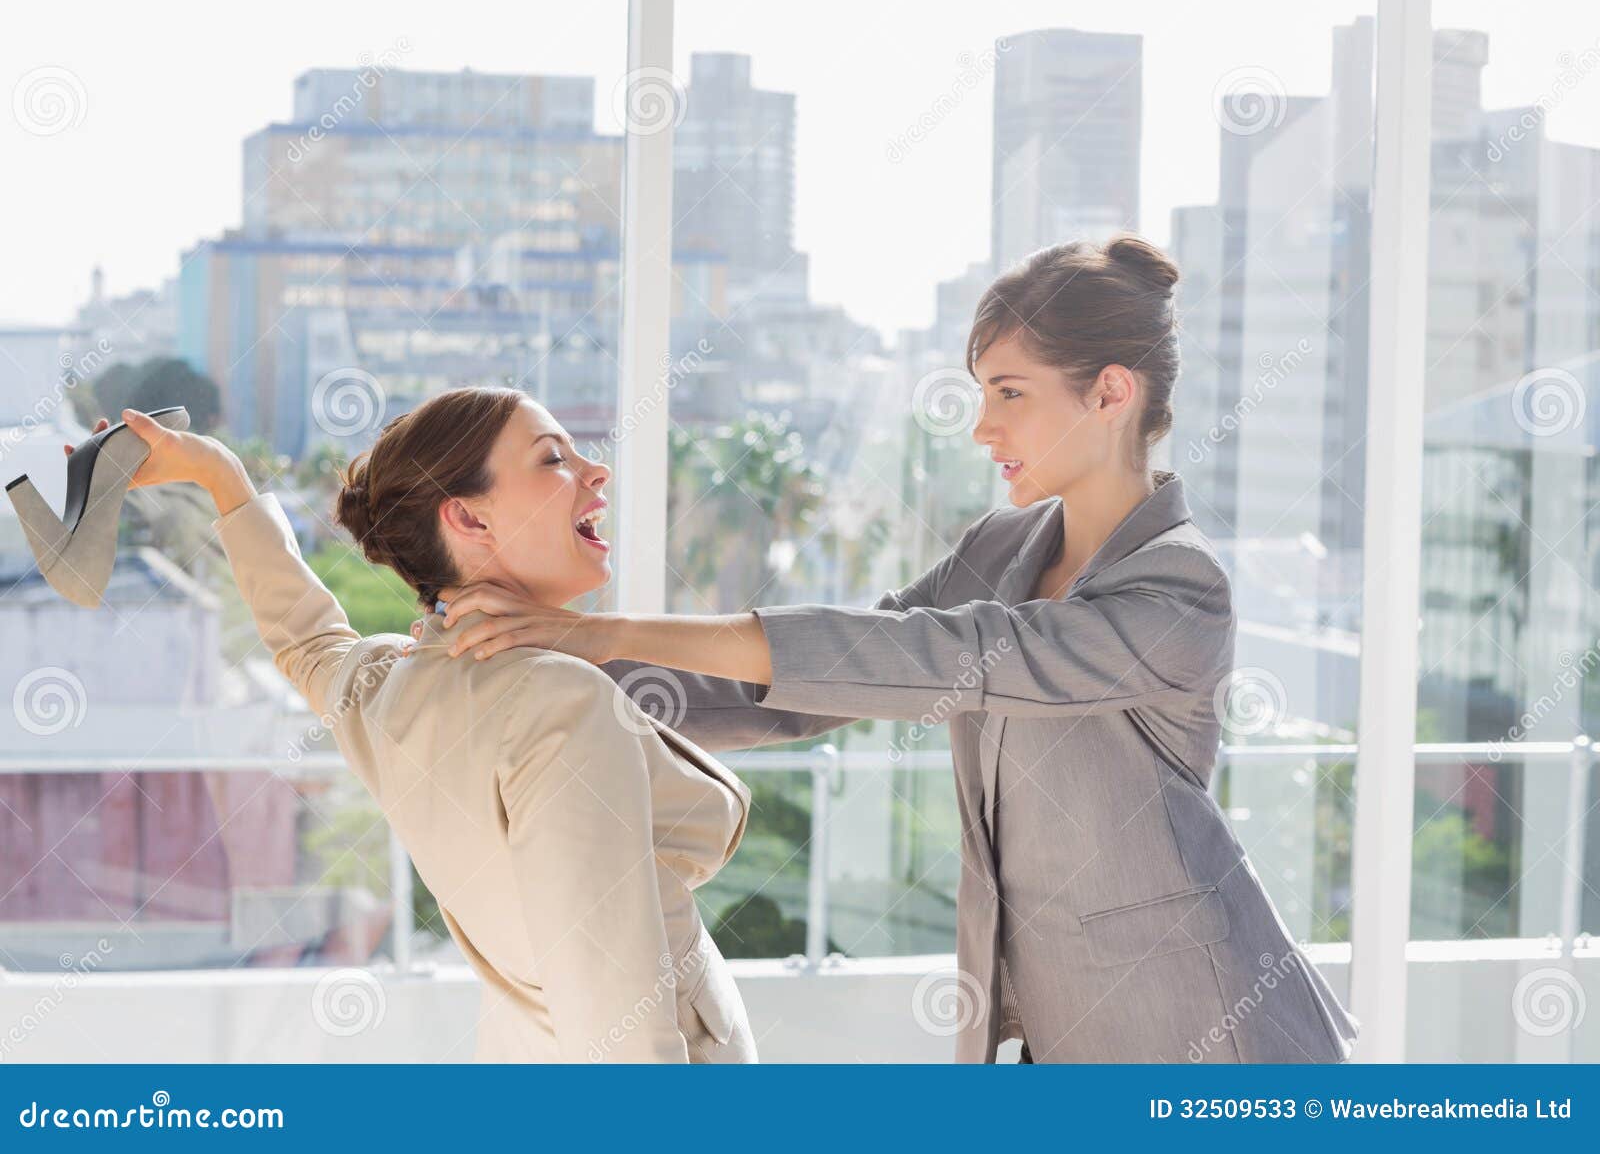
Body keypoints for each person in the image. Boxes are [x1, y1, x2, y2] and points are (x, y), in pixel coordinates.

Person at [433, 236, 1360, 1063]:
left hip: (1204, 1028)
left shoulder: (1179, 587)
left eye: (1010, 392)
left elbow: (930, 653)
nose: (983, 425)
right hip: (1048, 1029)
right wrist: (562, 674)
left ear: (1111, 392)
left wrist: (602, 628)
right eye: (980, 392)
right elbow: (814, 683)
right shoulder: (1002, 547)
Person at [100, 390, 755, 1063]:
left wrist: (223, 479)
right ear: (469, 517)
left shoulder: (391, 685)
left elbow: (305, 640)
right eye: (553, 458)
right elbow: (615, 1021)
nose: (597, 471)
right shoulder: (565, 705)